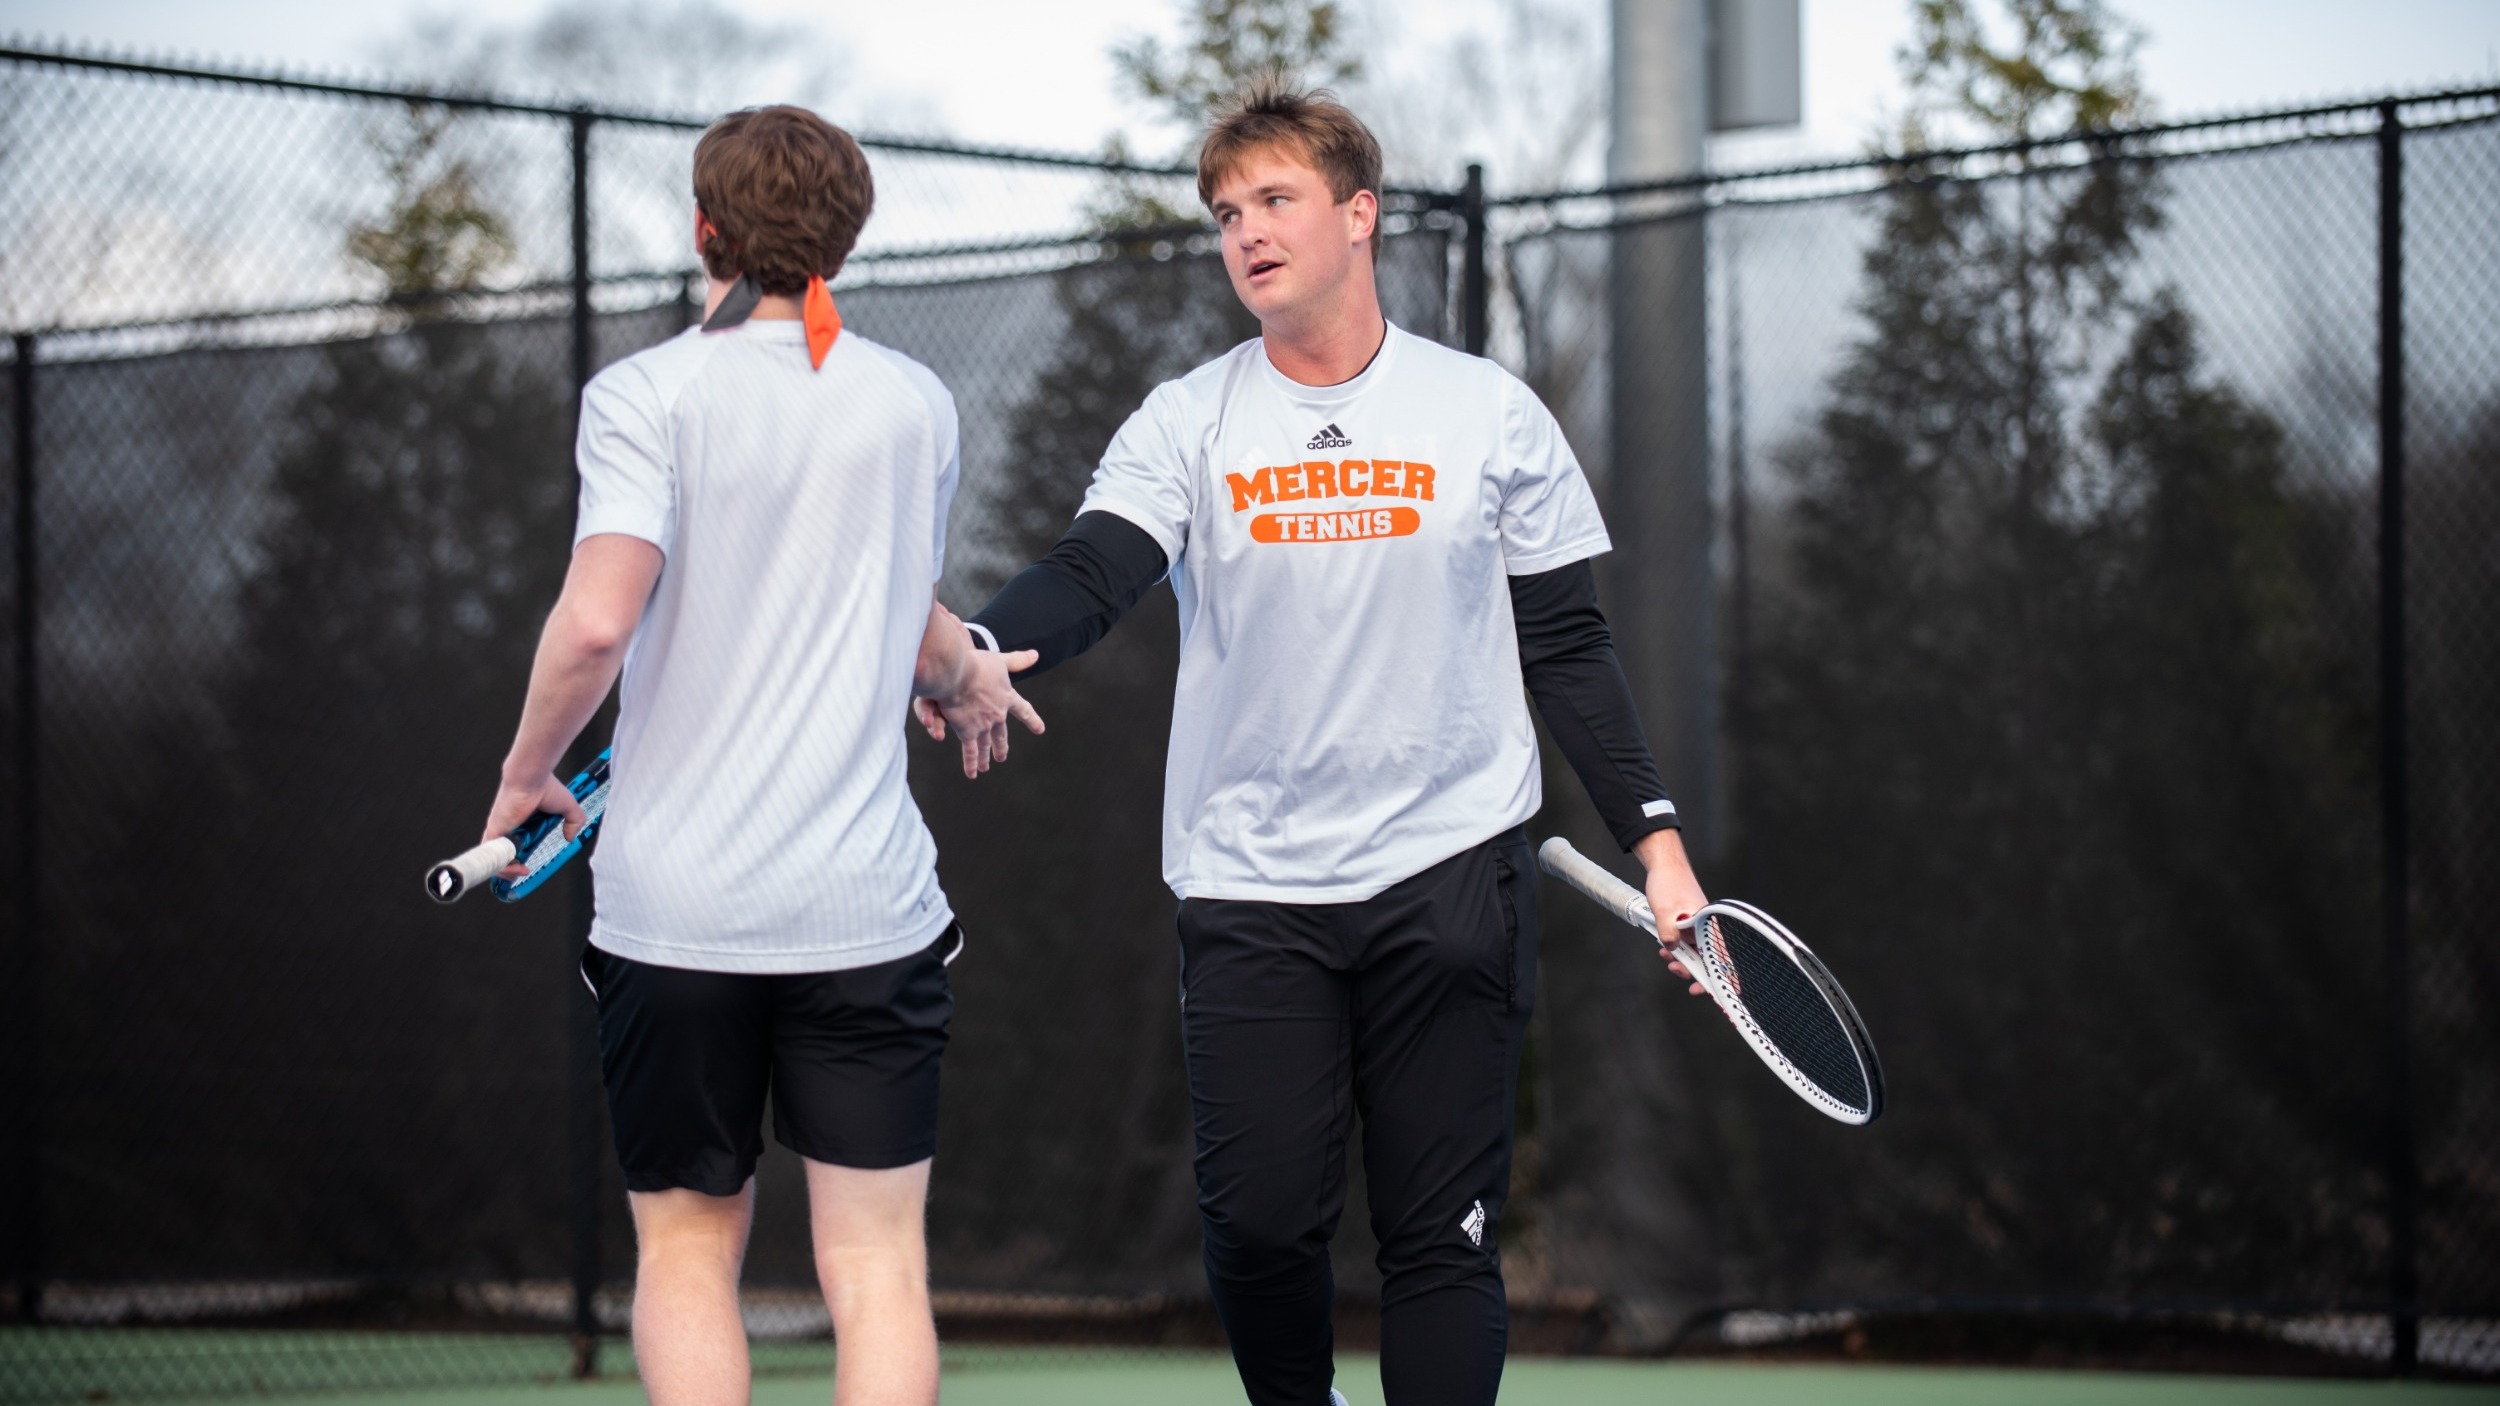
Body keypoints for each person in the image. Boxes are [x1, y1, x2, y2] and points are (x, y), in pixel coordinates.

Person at [961, 81, 1708, 1406]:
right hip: (1251, 884)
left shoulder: (1490, 413)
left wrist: (1657, 845)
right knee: (1255, 1226)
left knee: (1441, 1237)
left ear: (1358, 216)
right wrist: (984, 644)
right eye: (1226, 211)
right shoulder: (1188, 420)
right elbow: (1093, 570)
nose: (1246, 231)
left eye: (1275, 199)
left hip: (1454, 872)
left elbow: (1571, 648)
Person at [475, 105, 1038, 1406]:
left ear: (705, 229)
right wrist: (966, 673)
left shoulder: (644, 396)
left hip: (675, 914)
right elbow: (899, 600)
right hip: (867, 913)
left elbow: (601, 615)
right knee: (878, 1264)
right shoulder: (915, 403)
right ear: (845, 233)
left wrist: (523, 773)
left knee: (683, 1251)